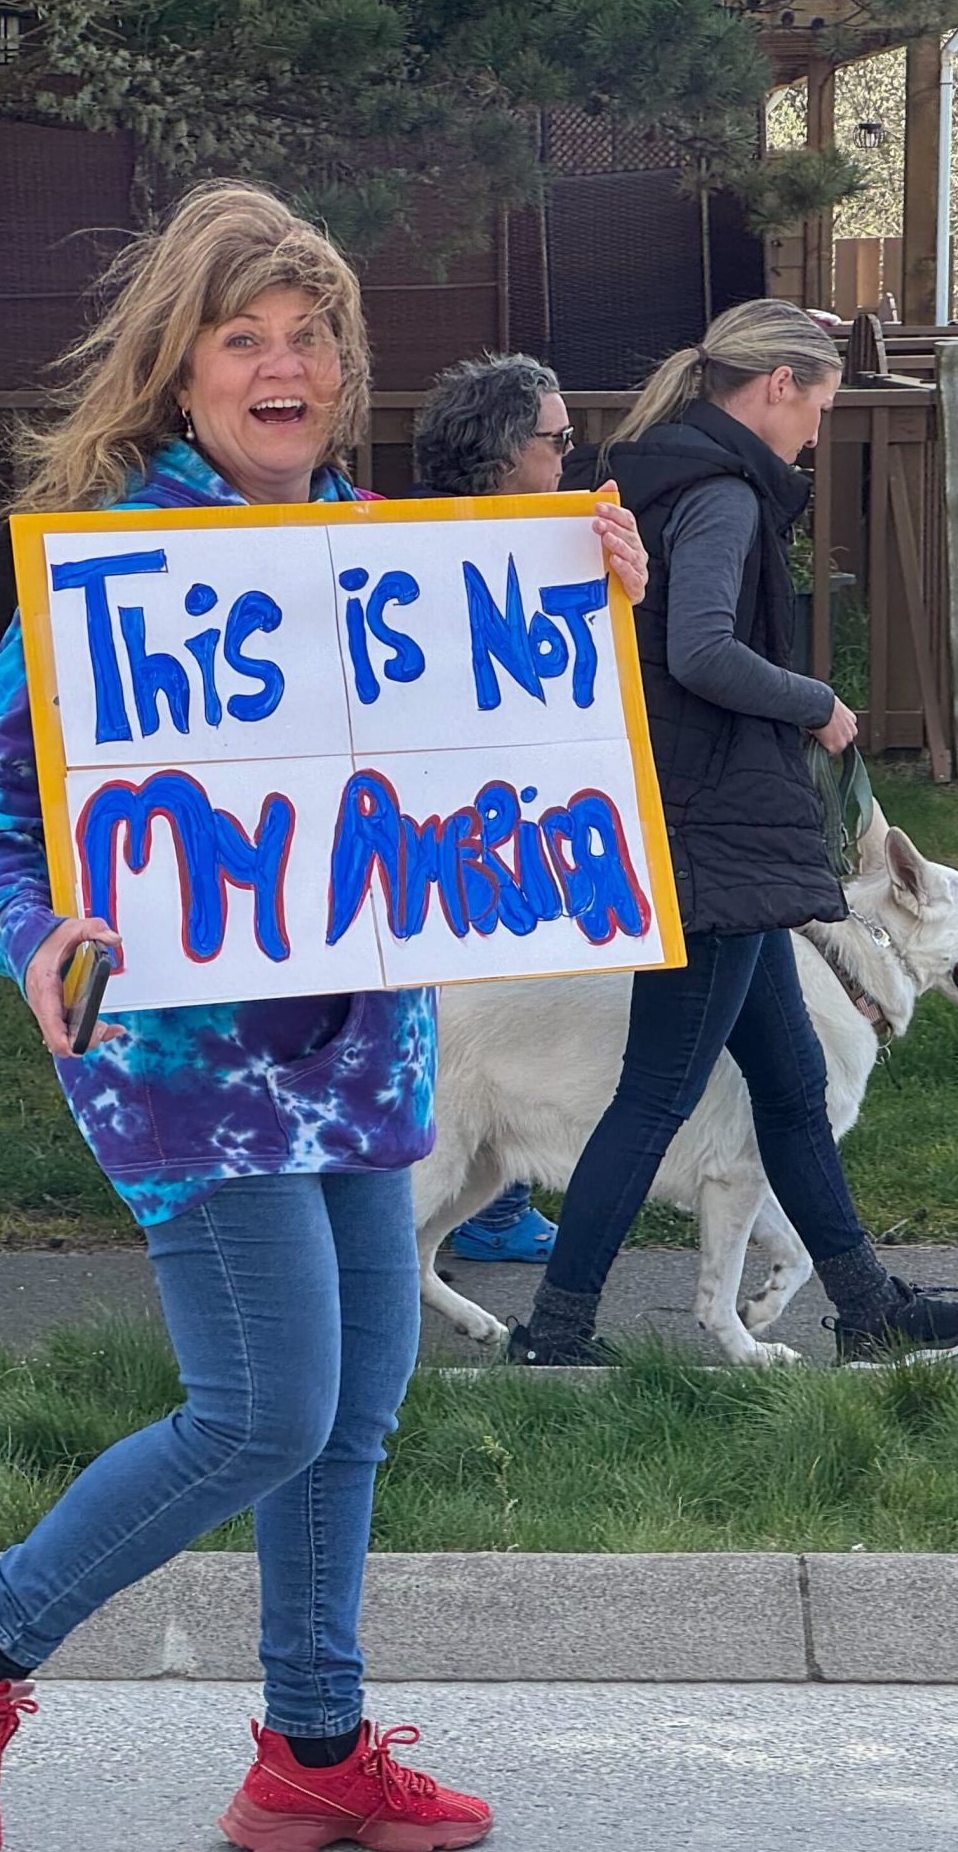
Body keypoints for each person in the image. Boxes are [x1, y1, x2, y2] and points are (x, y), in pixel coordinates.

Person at [0, 182, 648, 1852]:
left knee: (359, 1402)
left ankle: (312, 1749)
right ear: (185, 367)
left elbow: (486, 779)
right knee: (265, 1409)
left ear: (347, 369)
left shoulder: (391, 555)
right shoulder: (123, 571)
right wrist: (29, 934)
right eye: (244, 340)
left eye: (309, 339)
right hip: (188, 1069)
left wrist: (586, 619)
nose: (279, 368)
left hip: (363, 1059)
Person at [506, 297, 958, 1369]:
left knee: (787, 1091)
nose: (818, 430)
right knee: (657, 1092)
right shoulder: (724, 494)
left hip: (707, 832)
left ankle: (869, 1312)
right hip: (712, 839)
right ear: (776, 386)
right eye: (818, 403)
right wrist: (814, 702)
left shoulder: (672, 477)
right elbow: (699, 651)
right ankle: (555, 1335)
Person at [404, 351, 585, 1266]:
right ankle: (467, 1199)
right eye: (557, 441)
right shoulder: (436, 553)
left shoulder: (554, 542)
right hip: (443, 832)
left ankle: (487, 1194)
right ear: (507, 451)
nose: (567, 458)